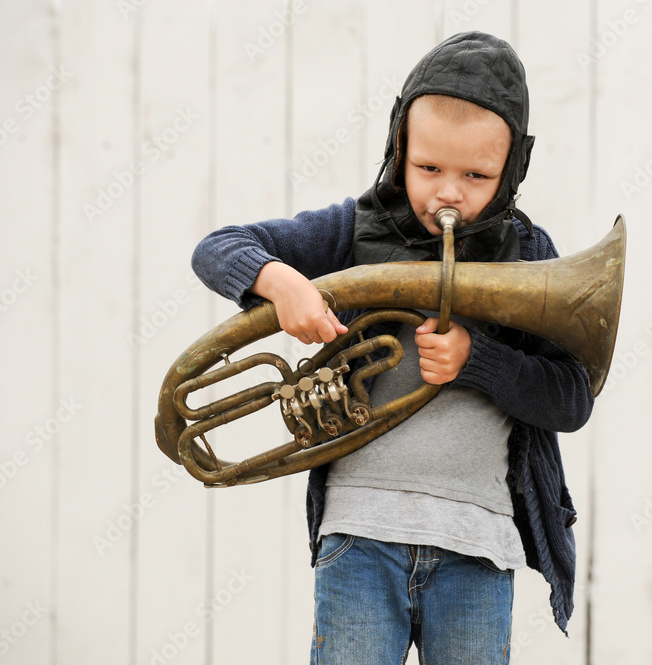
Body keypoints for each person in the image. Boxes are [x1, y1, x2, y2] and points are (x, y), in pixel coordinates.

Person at [192, 31, 594, 664]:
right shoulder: (355, 229)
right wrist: (280, 282)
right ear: (399, 149)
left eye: (477, 175)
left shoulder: (529, 253)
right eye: (428, 168)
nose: (448, 194)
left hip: (478, 544)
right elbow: (217, 247)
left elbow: (572, 398)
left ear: (513, 168)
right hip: (358, 534)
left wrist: (476, 362)